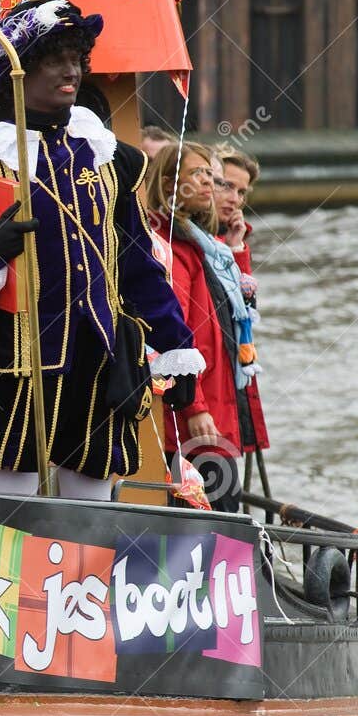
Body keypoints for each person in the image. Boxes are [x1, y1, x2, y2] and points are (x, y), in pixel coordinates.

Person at [0, 0, 201, 501]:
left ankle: (83, 581)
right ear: (19, 69)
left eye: (76, 59)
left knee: (91, 513)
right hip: (15, 362)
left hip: (99, 359)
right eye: (53, 60)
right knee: (9, 516)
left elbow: (136, 263)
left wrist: (175, 345)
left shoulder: (108, 156)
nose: (70, 71)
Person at [144, 140, 246, 509]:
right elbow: (177, 332)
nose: (209, 183)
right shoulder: (174, 247)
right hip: (197, 414)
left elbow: (233, 314)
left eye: (211, 175)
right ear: (171, 184)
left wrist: (239, 251)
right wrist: (196, 407)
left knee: (224, 507)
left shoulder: (203, 246)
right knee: (213, 516)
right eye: (198, 174)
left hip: (217, 403)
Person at [214, 146, 270, 461]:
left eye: (241, 192)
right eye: (226, 185)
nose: (235, 199)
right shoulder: (194, 243)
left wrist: (237, 249)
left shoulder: (231, 243)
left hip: (229, 398)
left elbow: (245, 311)